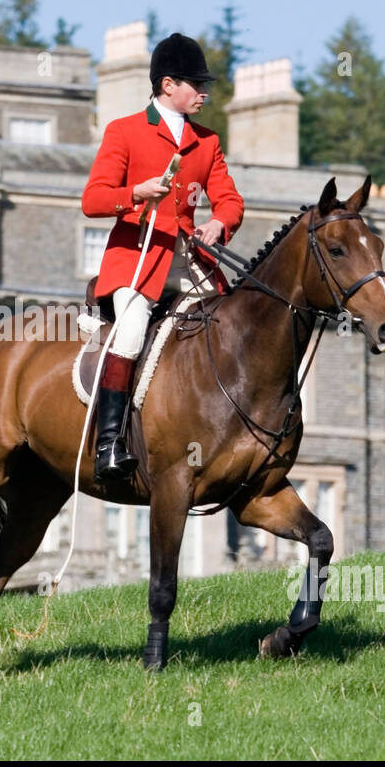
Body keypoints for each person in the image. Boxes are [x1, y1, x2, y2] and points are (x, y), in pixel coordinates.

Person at [80, 32, 245, 482]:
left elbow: (230, 200)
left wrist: (219, 223)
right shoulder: (125, 131)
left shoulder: (207, 141)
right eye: (195, 83)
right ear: (168, 85)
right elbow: (93, 200)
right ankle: (109, 444)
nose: (204, 92)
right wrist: (135, 193)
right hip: (137, 258)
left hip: (189, 257)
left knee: (233, 323)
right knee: (131, 332)